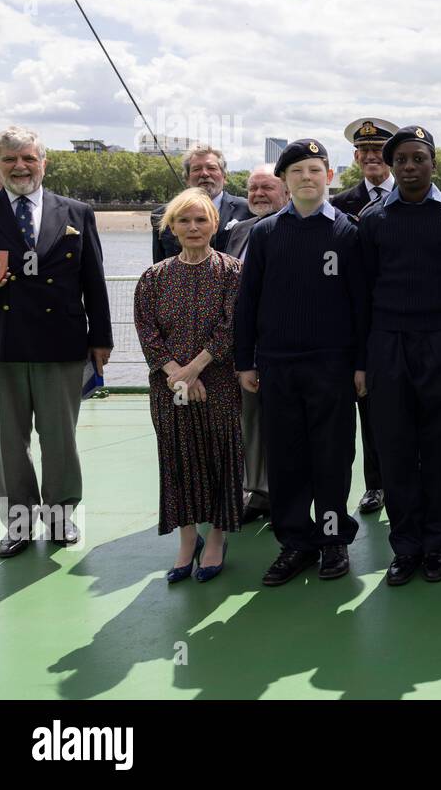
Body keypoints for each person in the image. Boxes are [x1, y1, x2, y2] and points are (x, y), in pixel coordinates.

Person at [235, 139, 368, 585]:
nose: (306, 178)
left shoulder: (349, 232)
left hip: (332, 366)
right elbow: (247, 302)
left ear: (329, 177)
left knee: (332, 457)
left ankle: (332, 540)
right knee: (287, 458)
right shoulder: (266, 233)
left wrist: (360, 363)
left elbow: (361, 304)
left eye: (315, 170)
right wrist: (245, 361)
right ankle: (296, 542)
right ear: (284, 181)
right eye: (297, 172)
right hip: (278, 365)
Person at [0, 126, 112, 556]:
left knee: (59, 437)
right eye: (10, 159)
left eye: (28, 158)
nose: (20, 166)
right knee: (8, 441)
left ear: (44, 162)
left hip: (61, 342)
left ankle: (59, 518)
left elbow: (93, 279)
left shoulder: (76, 211)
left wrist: (102, 338)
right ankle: (18, 523)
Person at [359, 124, 441, 585]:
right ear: (391, 166)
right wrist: (363, 359)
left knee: (440, 445)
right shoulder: (372, 220)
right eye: (402, 160)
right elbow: (362, 294)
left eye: (418, 158)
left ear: (433, 163)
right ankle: (405, 546)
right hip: (387, 343)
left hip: (440, 343)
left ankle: (437, 544)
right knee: (395, 449)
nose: (410, 166)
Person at [135, 188, 244, 582]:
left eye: (201, 220)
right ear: (171, 227)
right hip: (168, 386)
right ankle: (186, 539)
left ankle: (215, 537)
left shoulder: (233, 272)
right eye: (185, 220)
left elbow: (231, 326)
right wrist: (176, 375)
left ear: (214, 224)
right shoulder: (154, 277)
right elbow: (147, 330)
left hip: (217, 381)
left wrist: (195, 370)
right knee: (178, 459)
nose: (193, 227)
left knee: (219, 457)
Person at [331, 117, 398, 515]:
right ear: (356, 157)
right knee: (366, 409)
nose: (372, 157)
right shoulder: (340, 206)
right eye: (365, 151)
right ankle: (375, 485)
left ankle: (406, 478)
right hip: (358, 323)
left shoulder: (409, 194)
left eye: (378, 151)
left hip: (398, 318)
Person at [225, 165, 288, 524]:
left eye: (267, 187)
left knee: (283, 422)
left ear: (286, 191)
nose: (259, 195)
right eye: (253, 189)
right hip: (245, 346)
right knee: (250, 421)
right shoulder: (239, 232)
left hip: (282, 344)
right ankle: (258, 491)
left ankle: (284, 492)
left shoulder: (290, 227)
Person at [150, 145, 251, 262]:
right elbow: (158, 262)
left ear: (224, 176)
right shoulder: (162, 215)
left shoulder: (247, 210)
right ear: (187, 178)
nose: (204, 174)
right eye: (196, 169)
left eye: (211, 168)